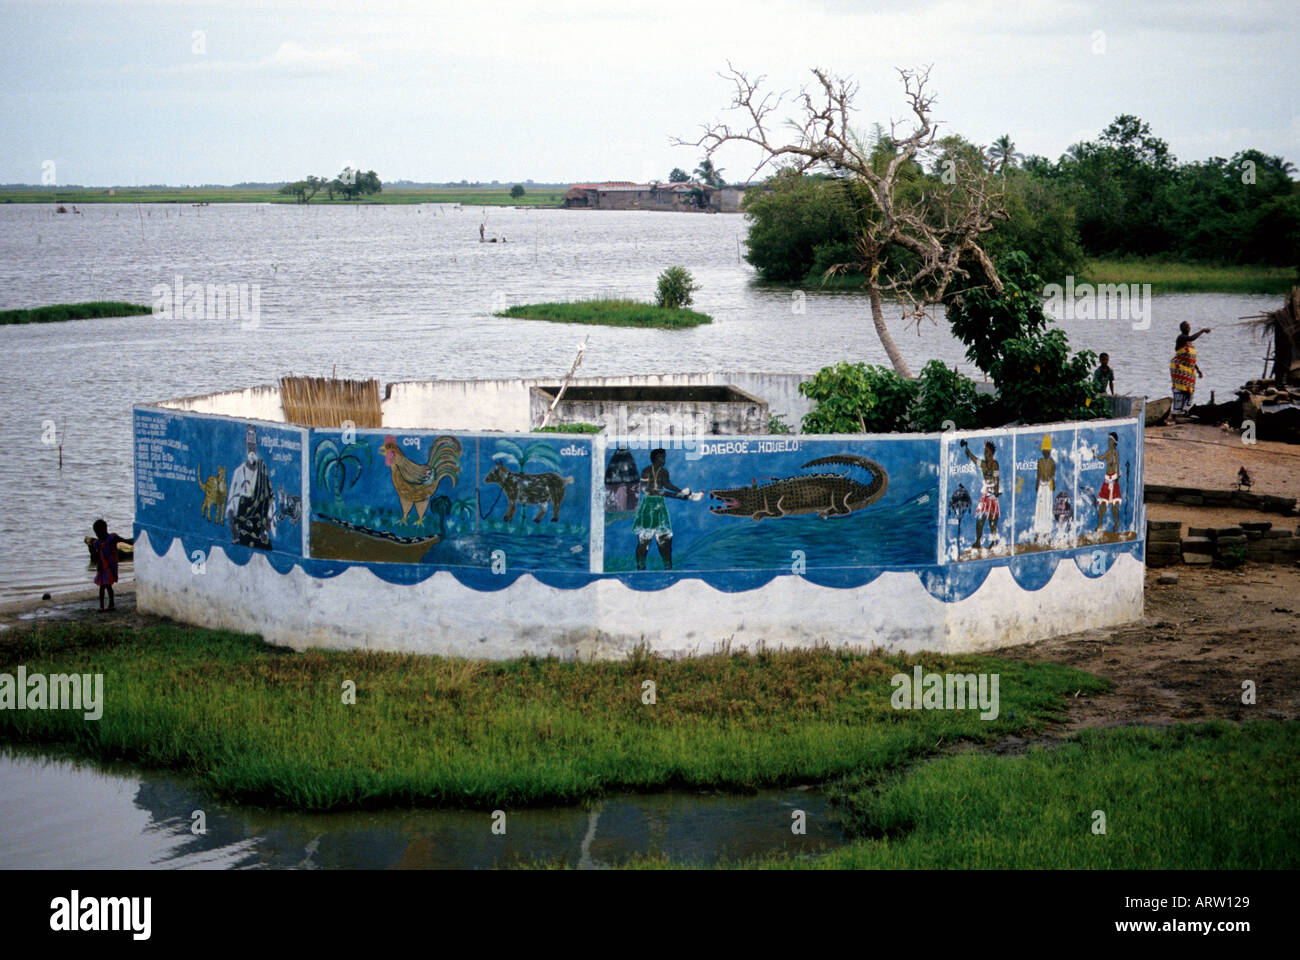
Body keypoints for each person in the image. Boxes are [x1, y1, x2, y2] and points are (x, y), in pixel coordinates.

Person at [633, 448, 701, 570]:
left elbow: (667, 485)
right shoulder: (646, 471)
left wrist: (681, 492)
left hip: (660, 506)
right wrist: (675, 495)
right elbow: (645, 489)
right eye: (661, 457)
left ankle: (668, 567)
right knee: (644, 540)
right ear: (654, 458)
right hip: (648, 506)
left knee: (665, 540)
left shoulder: (664, 472)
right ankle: (641, 567)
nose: (664, 459)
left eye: (664, 456)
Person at [225, 425, 276, 550]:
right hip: (243, 533)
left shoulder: (263, 472)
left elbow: (270, 500)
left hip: (260, 534)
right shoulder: (239, 472)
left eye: (254, 444)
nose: (251, 447)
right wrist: (234, 535)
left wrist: (268, 522)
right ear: (246, 445)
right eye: (249, 444)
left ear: (257, 446)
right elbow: (231, 506)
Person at [961, 439, 1001, 550]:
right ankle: (978, 541)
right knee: (980, 519)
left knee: (992, 520)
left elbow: (997, 479)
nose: (986, 455)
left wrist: (996, 491)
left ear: (991, 454)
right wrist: (968, 452)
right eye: (985, 453)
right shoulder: (983, 464)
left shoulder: (995, 465)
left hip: (992, 495)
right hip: (985, 495)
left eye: (987, 453)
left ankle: (994, 542)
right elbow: (975, 460)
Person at [90, 519, 133, 612]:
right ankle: (102, 606)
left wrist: (133, 543)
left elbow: (124, 540)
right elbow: (97, 554)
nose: (98, 535)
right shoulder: (98, 542)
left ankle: (111, 604)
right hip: (102, 567)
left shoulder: (112, 538)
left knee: (108, 586)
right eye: (96, 533)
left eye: (99, 533)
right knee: (102, 586)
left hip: (110, 567)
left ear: (105, 530)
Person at [1170, 322, 1210, 415]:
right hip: (1178, 367)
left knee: (1189, 390)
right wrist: (1202, 331)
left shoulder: (1189, 343)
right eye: (1185, 327)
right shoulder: (1181, 338)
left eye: (1188, 326)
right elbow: (1192, 337)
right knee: (1180, 389)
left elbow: (1191, 359)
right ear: (1181, 329)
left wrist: (1198, 370)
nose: (1187, 328)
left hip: (1188, 369)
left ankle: (1184, 410)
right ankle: (1177, 411)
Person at [1093, 432, 1122, 533]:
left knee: (1115, 505)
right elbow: (1101, 458)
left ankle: (1116, 522)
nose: (1108, 442)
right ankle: (1100, 524)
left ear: (1114, 442)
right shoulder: (1108, 452)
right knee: (1103, 504)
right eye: (1108, 440)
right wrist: (1095, 454)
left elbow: (1117, 465)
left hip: (1113, 480)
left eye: (1110, 440)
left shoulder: (1115, 453)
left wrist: (1118, 475)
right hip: (1107, 480)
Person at [1030, 434, 1056, 544]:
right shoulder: (1040, 461)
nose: (1046, 452)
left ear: (1050, 451)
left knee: (1048, 509)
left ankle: (1047, 533)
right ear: (1042, 451)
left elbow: (1053, 475)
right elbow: (1038, 474)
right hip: (1041, 486)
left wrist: (1052, 484)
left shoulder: (1052, 462)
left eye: (1048, 451)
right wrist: (1037, 485)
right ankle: (1037, 533)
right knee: (1039, 510)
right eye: (1044, 450)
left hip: (1048, 487)